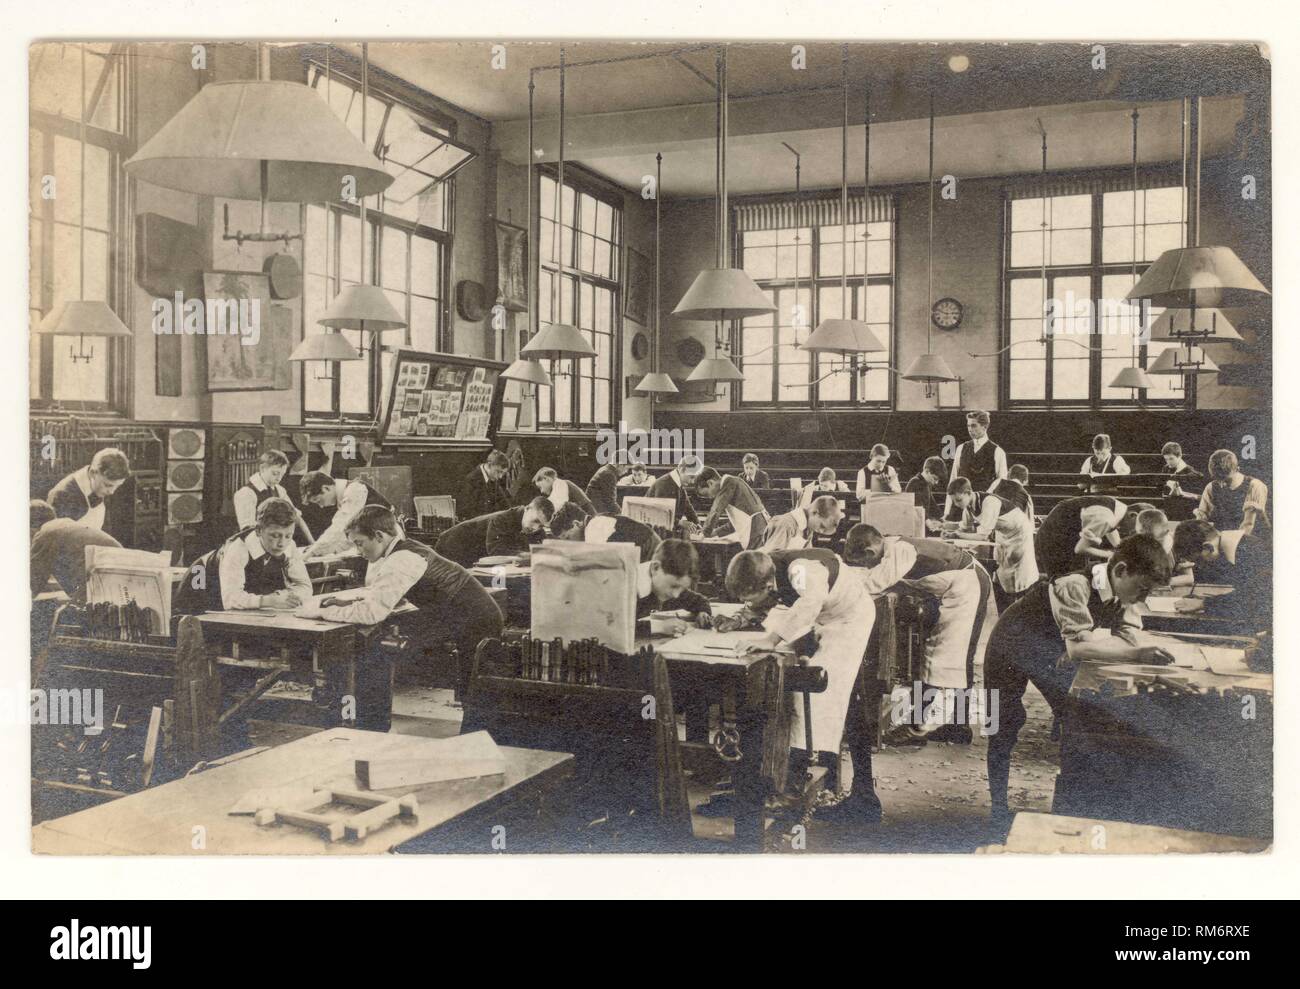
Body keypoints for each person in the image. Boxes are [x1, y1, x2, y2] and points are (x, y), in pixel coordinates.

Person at [984, 535, 1175, 832]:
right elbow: (1079, 649)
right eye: (1141, 589)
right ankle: (998, 811)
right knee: (1002, 725)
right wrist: (1134, 652)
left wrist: (1131, 648)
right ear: (1121, 570)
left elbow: (1125, 633)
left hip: (1050, 648)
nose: (1142, 599)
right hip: (1010, 643)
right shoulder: (1075, 585)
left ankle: (1073, 808)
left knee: (1075, 716)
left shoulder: (1124, 592)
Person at [300, 506, 504, 729]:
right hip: (467, 616)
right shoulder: (402, 550)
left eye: (360, 543)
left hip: (478, 620)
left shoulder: (402, 558)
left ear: (379, 536)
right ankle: (373, 725)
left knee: (474, 694)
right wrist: (349, 603)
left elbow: (372, 613)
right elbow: (390, 596)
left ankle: (372, 727)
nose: (358, 551)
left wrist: (320, 612)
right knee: (470, 692)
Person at [723, 548, 882, 826]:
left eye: (751, 597)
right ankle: (778, 779)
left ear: (768, 585)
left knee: (813, 696)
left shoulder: (800, 569)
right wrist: (741, 617)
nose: (749, 603)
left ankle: (792, 789)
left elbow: (808, 604)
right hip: (825, 614)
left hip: (848, 619)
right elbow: (768, 605)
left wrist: (771, 640)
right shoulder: (765, 566)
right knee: (794, 682)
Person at [844, 524, 993, 744]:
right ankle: (957, 726)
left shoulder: (899, 551)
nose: (866, 566)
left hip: (966, 586)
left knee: (944, 658)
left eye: (864, 562)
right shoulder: (890, 545)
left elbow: (875, 583)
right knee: (955, 658)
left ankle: (916, 729)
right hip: (958, 584)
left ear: (869, 552)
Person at [175, 497, 312, 613]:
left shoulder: (289, 546)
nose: (282, 543)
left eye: (288, 535)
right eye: (275, 535)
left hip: (231, 601)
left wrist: (284, 597)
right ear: (258, 531)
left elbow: (305, 586)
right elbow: (231, 598)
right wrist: (270, 600)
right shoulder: (238, 549)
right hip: (198, 593)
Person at [950, 477, 1038, 613]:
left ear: (968, 493)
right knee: (1001, 573)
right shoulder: (968, 506)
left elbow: (982, 536)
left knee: (1021, 576)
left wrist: (957, 535)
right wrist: (945, 528)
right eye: (954, 501)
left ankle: (1023, 611)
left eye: (959, 500)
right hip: (1004, 534)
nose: (956, 504)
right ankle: (1005, 614)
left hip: (1019, 534)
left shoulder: (989, 502)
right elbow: (964, 527)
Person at [1171, 519, 1271, 628]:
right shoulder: (1236, 546)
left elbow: (1255, 600)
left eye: (1199, 560)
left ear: (1208, 547)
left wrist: (1204, 604)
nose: (1200, 565)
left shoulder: (1252, 552)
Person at [30, 499, 121, 601]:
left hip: (107, 584)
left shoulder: (45, 533)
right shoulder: (67, 525)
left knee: (65, 612)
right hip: (126, 576)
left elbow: (33, 582)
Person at [434, 498, 554, 567]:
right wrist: (529, 555)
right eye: (535, 521)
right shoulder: (503, 519)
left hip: (474, 553)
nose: (536, 528)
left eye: (541, 525)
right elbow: (496, 550)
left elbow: (541, 549)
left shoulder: (535, 528)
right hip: (451, 546)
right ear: (527, 509)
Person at [1033, 494, 1129, 579]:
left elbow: (1112, 528)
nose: (1132, 532)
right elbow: (1080, 549)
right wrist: (1112, 555)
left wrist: (1120, 549)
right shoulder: (1106, 517)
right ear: (1133, 515)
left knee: (1077, 577)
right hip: (1054, 539)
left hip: (1065, 533)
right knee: (1065, 583)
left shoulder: (1119, 508)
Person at [299, 471, 394, 557]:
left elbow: (338, 527)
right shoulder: (345, 496)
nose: (321, 506)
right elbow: (347, 535)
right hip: (378, 545)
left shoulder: (354, 490)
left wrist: (313, 550)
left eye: (318, 500)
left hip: (389, 546)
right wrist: (322, 550)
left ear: (326, 488)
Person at [233, 449, 314, 544]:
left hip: (275, 543)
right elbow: (247, 530)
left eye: (282, 475)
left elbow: (296, 517)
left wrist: (312, 543)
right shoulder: (246, 493)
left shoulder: (280, 490)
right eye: (275, 473)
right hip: (252, 545)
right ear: (262, 468)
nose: (279, 478)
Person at [47, 447, 131, 533]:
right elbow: (56, 540)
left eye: (117, 486)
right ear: (93, 473)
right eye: (107, 485)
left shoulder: (100, 487)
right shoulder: (63, 495)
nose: (112, 492)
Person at [635, 539, 713, 630]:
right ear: (655, 568)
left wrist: (703, 613)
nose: (676, 595)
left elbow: (700, 601)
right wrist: (660, 627)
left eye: (682, 588)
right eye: (674, 586)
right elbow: (619, 628)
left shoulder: (669, 588)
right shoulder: (628, 587)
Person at [549, 501, 661, 563]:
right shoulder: (595, 522)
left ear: (576, 524)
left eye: (568, 537)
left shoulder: (594, 527)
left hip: (650, 550)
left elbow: (599, 564)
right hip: (646, 548)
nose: (570, 544)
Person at [944, 410, 1007, 518]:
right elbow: (953, 480)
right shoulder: (961, 448)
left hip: (982, 508)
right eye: (968, 426)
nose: (970, 429)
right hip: (959, 507)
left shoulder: (997, 451)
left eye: (974, 426)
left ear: (984, 426)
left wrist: (986, 498)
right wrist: (947, 511)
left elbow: (1001, 481)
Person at [1195, 449, 1270, 536]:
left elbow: (1248, 525)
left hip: (1249, 540)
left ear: (1237, 469)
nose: (1222, 484)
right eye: (1218, 479)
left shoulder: (1255, 486)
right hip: (1221, 538)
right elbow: (1201, 519)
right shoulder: (1211, 487)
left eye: (1226, 480)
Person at [694, 466, 769, 548]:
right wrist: (715, 532)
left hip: (755, 529)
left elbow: (715, 510)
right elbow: (735, 523)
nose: (711, 497)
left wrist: (703, 533)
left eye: (707, 494)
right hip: (759, 527)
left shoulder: (728, 483)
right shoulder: (733, 481)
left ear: (710, 483)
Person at [761, 495, 842, 553]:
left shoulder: (808, 526)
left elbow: (807, 554)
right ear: (815, 513)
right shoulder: (786, 524)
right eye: (822, 526)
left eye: (823, 531)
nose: (820, 531)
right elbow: (772, 557)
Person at [646, 455, 702, 535]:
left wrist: (698, 524)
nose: (692, 482)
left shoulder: (678, 483)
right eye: (691, 477)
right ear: (682, 470)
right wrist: (680, 522)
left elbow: (688, 508)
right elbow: (659, 514)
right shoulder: (665, 484)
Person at [458, 450, 512, 520]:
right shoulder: (471, 480)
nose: (500, 476)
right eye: (499, 472)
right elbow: (468, 512)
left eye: (503, 473)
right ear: (489, 465)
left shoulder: (493, 478)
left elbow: (504, 504)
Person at [1160, 442, 1203, 522]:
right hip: (1170, 508)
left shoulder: (1191, 472)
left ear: (1179, 456)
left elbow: (1197, 496)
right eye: (1166, 459)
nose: (1168, 462)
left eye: (1171, 458)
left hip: (1185, 511)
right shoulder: (1166, 468)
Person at [530, 466, 596, 516]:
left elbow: (558, 504)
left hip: (588, 517)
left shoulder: (559, 483)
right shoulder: (558, 486)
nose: (541, 491)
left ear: (546, 479)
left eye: (540, 487)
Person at [904, 457, 947, 532]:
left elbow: (932, 504)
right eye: (935, 478)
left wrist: (942, 518)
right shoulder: (915, 482)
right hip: (914, 523)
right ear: (927, 471)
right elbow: (917, 506)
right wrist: (929, 523)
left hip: (922, 521)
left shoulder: (927, 484)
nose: (936, 483)